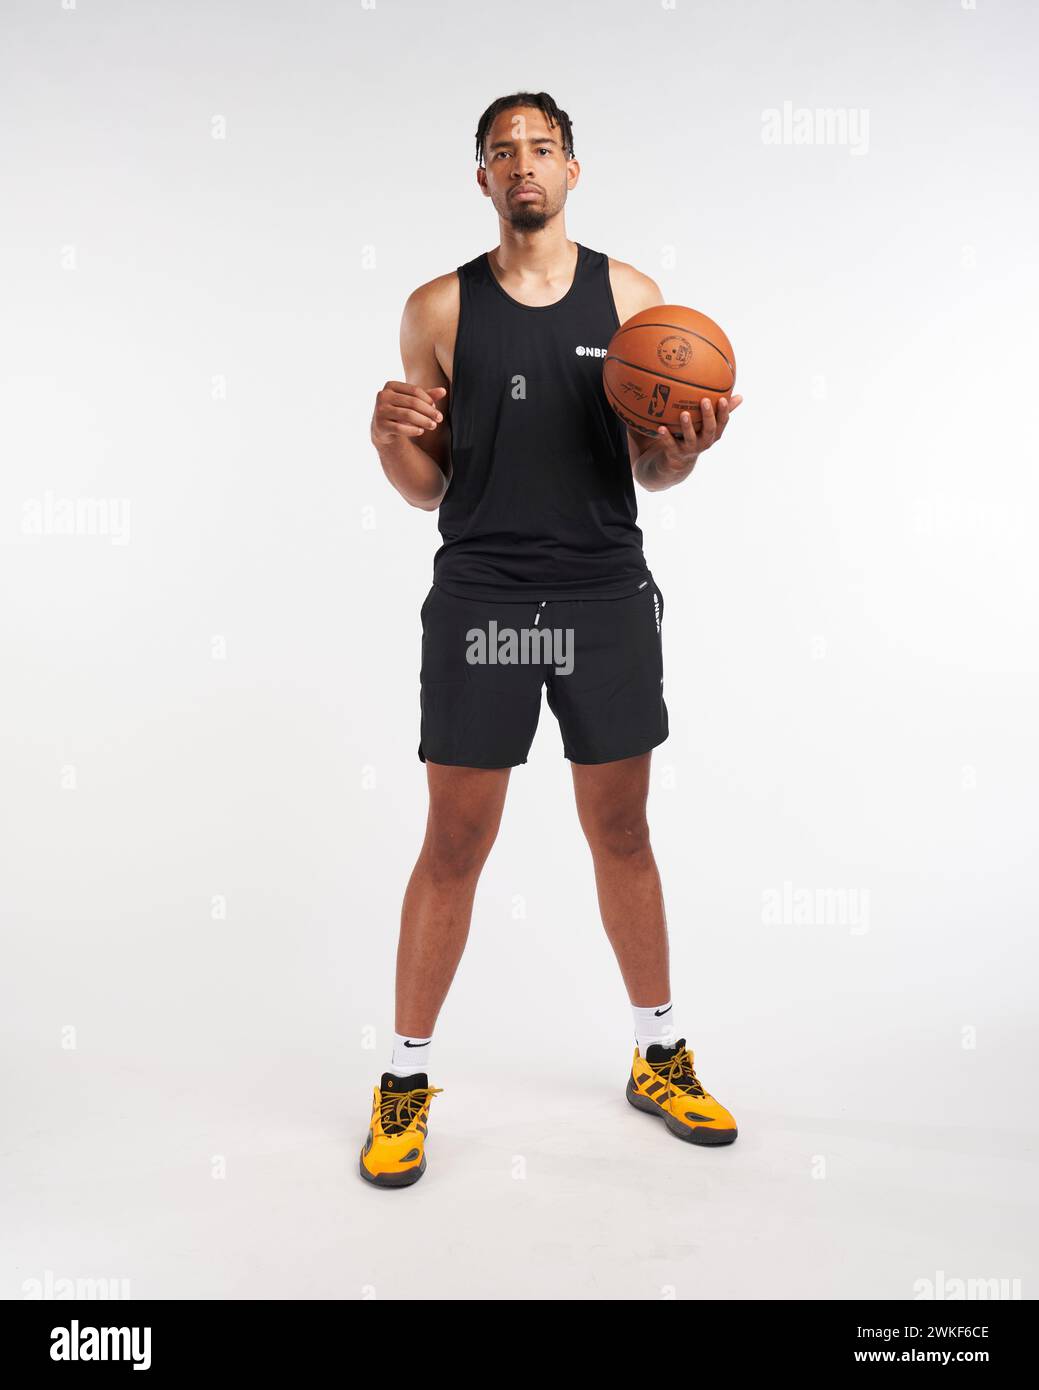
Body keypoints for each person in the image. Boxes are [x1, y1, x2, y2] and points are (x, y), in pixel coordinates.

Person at [360, 91, 743, 1187]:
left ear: (572, 168)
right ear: (481, 180)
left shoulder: (633, 300)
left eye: (540, 148)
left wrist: (690, 447)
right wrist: (388, 441)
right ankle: (403, 1078)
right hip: (483, 596)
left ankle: (658, 1053)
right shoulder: (437, 309)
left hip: (602, 596)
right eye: (501, 153)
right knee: (454, 843)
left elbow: (651, 470)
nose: (522, 165)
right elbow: (429, 490)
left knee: (622, 833)